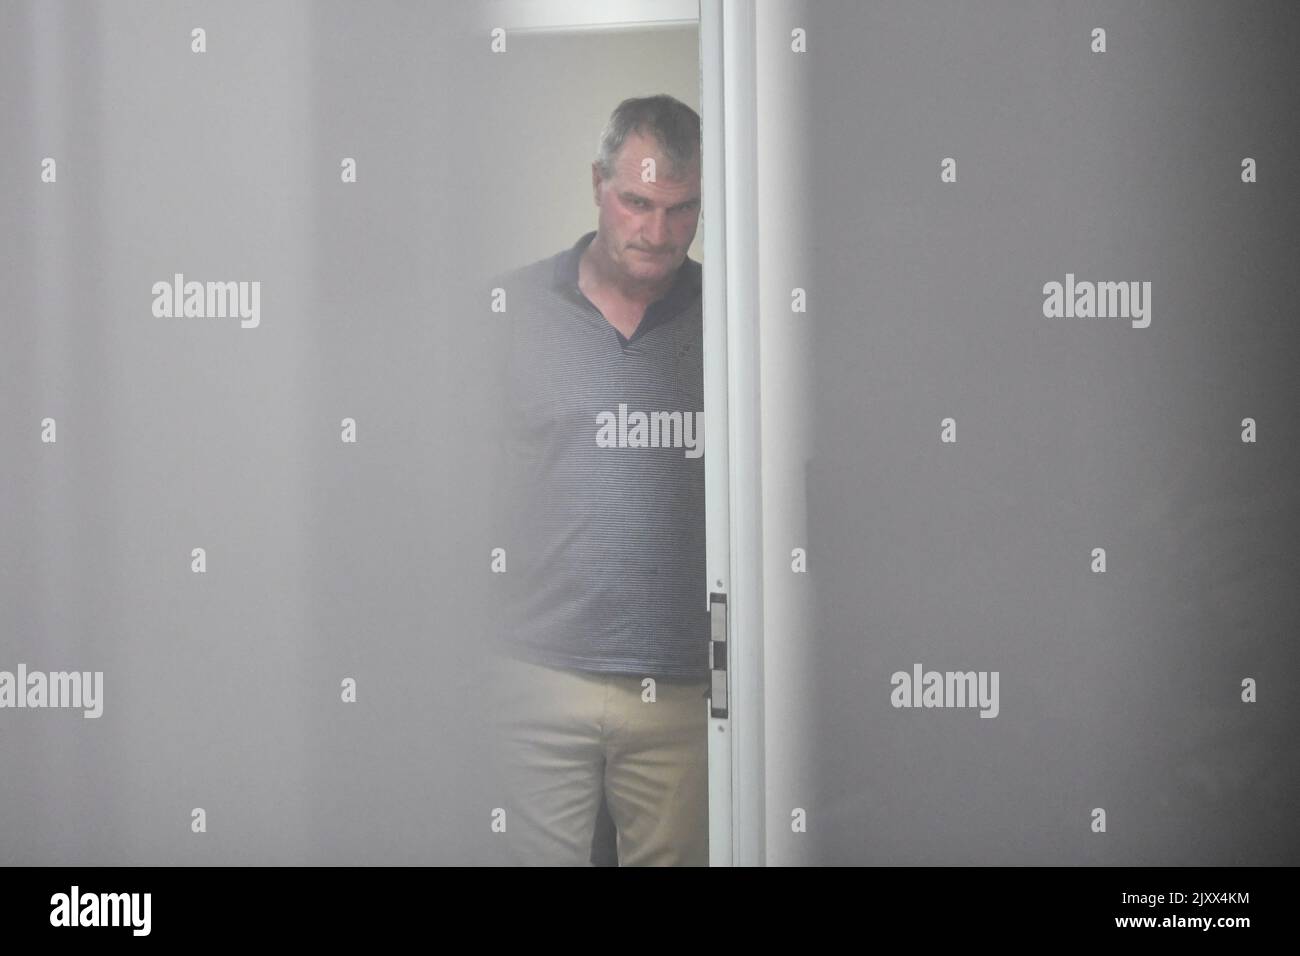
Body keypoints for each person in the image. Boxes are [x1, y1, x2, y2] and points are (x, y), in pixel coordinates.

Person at [484, 94, 708, 866]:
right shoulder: (507, 309)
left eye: (682, 210)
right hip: (536, 671)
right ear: (597, 185)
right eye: (637, 203)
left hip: (685, 687)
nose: (655, 233)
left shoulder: (732, 317)